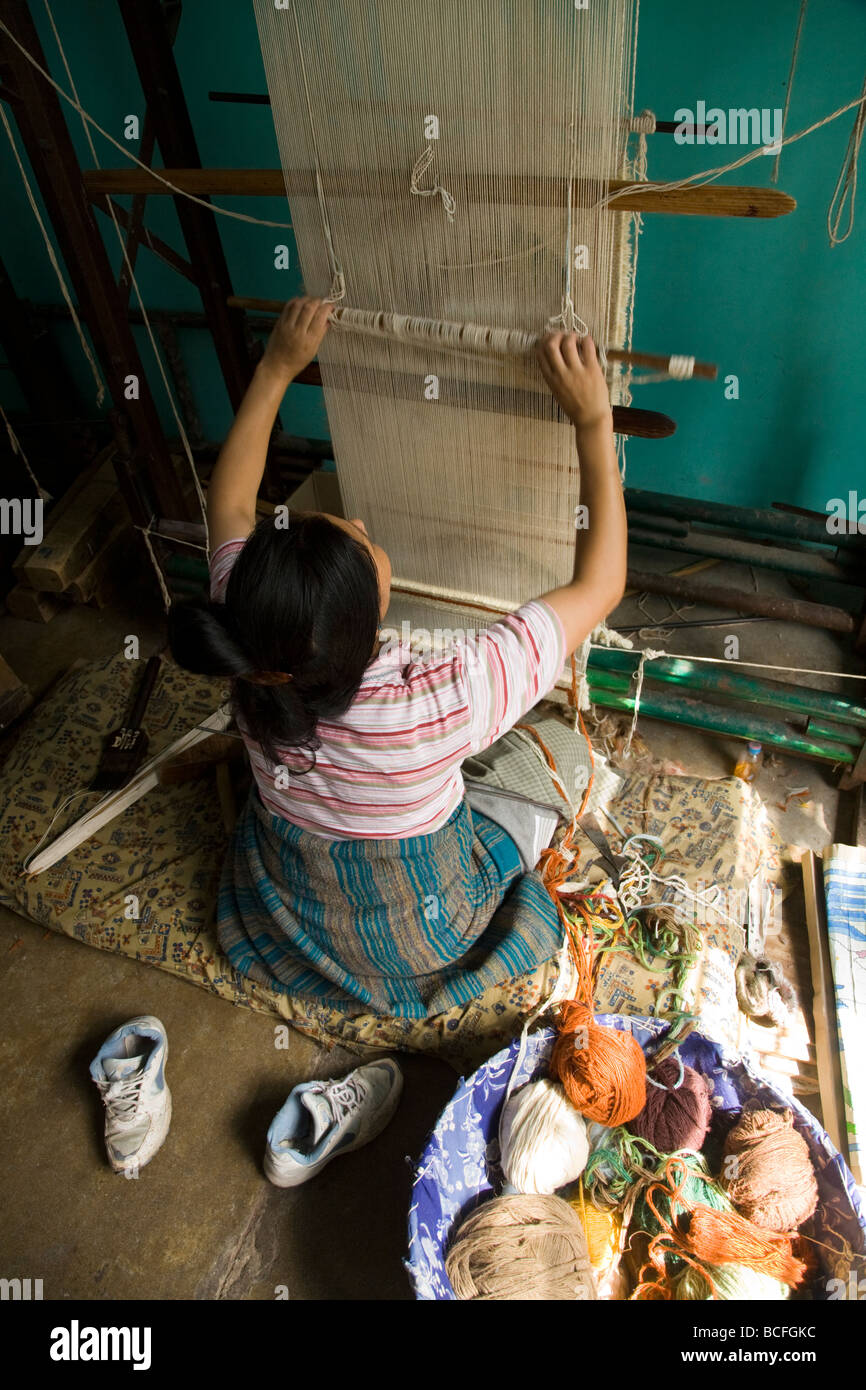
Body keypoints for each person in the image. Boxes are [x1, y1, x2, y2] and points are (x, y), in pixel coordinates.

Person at [168, 297, 626, 1021]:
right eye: (356, 536)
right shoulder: (443, 698)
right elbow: (601, 586)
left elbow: (225, 500)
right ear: (373, 608)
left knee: (464, 771)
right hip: (421, 932)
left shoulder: (248, 627)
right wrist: (594, 422)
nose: (357, 518)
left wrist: (277, 366)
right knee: (563, 757)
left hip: (292, 906)